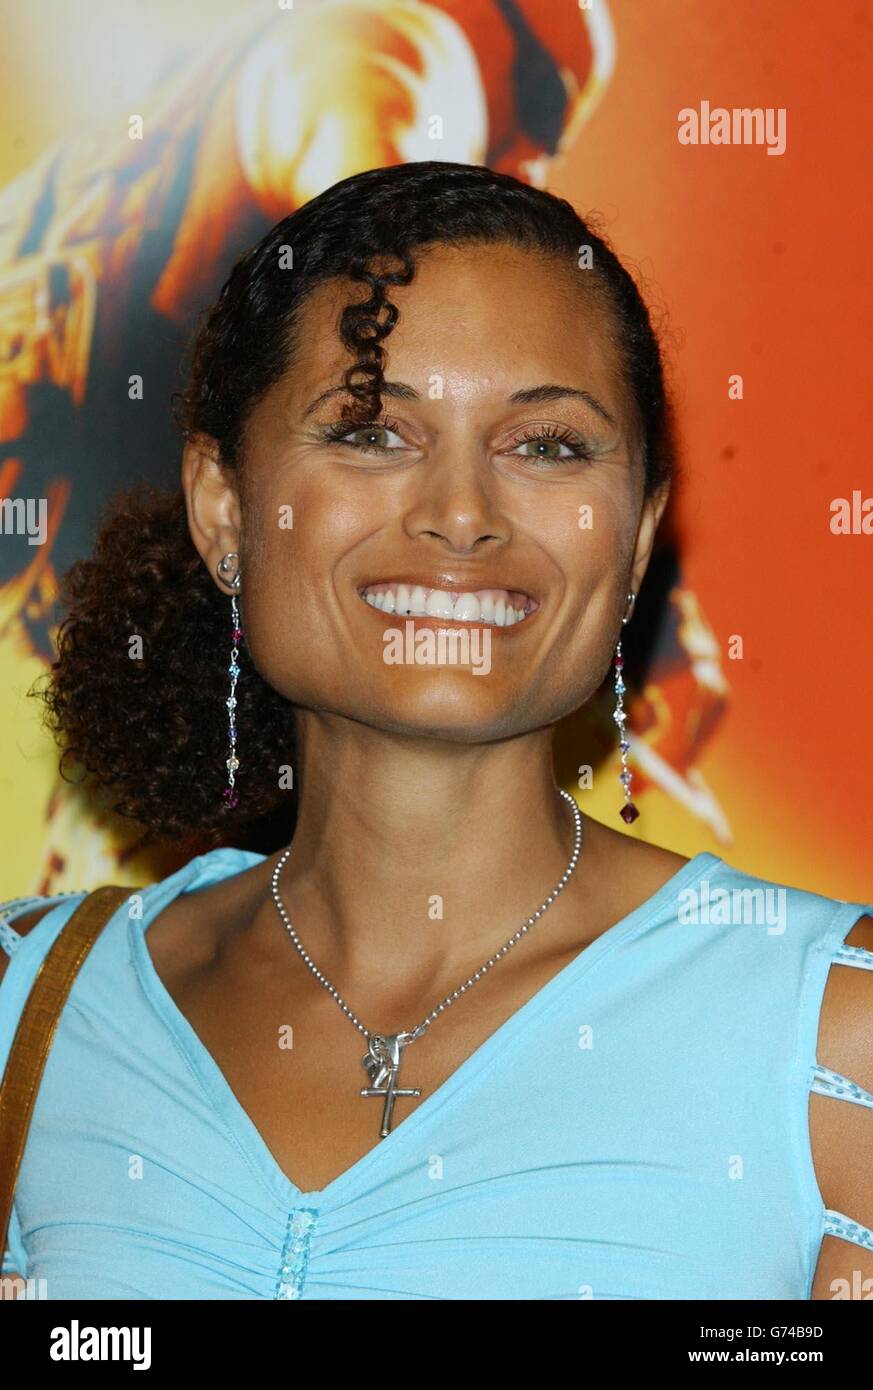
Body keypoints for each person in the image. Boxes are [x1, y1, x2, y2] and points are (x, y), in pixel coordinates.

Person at [1, 162, 870, 1301]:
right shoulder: (34, 1004)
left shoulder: (834, 1041)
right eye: (371, 432)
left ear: (640, 534)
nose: (461, 515)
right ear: (224, 512)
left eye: (549, 444)